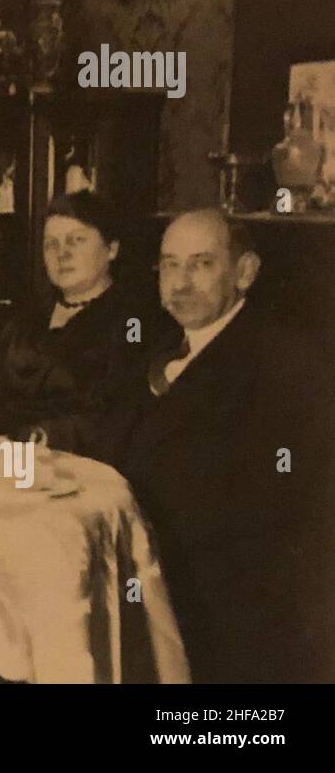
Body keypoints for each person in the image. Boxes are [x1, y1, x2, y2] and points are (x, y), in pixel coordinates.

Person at [108, 209, 334, 682]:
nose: (180, 282)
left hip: (229, 607)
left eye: (201, 264)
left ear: (245, 272)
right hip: (159, 569)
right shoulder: (160, 347)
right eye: (169, 265)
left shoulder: (285, 362)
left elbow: (280, 498)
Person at [0, 190, 156, 454]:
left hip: (80, 468)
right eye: (50, 244)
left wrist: (41, 437)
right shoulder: (27, 319)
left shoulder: (132, 323)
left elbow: (121, 415)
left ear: (112, 249)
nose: (61, 253)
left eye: (76, 240)